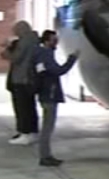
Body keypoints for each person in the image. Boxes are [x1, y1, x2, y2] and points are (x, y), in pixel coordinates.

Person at [33, 29, 78, 167]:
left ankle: (46, 155)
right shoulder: (45, 55)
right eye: (53, 40)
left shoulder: (42, 54)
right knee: (47, 127)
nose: (56, 42)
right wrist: (72, 59)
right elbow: (58, 71)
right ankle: (45, 156)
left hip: (46, 94)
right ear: (46, 41)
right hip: (49, 95)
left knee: (48, 127)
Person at [0, 20, 39, 145]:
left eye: (16, 31)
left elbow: (16, 58)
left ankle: (25, 133)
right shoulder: (34, 40)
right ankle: (31, 132)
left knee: (21, 107)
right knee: (30, 107)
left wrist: (7, 48)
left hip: (21, 79)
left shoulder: (24, 42)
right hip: (30, 78)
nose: (15, 33)